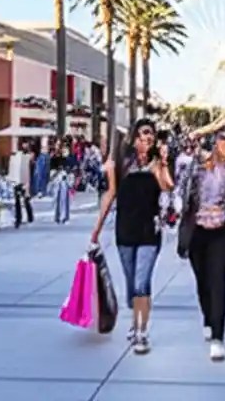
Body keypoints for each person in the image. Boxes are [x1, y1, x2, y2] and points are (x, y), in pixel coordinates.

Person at [91, 118, 173, 355]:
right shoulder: (121, 163)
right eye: (143, 135)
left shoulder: (157, 164)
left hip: (150, 231)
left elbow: (168, 187)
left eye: (151, 137)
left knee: (141, 282)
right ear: (134, 138)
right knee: (130, 284)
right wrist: (96, 230)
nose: (147, 140)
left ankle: (141, 331)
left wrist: (165, 163)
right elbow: (110, 195)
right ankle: (135, 320)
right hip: (125, 230)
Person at [178, 130, 225, 361]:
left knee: (217, 280)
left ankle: (218, 336)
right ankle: (208, 317)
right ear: (215, 147)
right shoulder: (197, 168)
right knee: (203, 282)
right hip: (198, 231)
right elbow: (183, 192)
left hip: (222, 232)